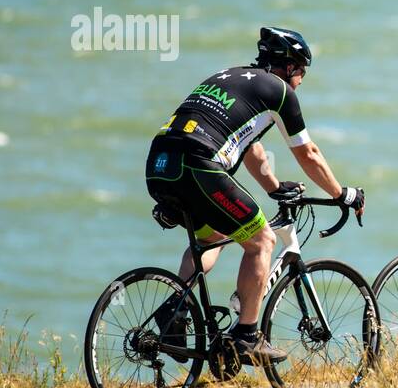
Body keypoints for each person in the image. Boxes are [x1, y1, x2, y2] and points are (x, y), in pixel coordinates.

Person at [145, 26, 364, 362]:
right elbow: (309, 153)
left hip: (160, 163)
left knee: (211, 237)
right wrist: (341, 194)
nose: (301, 81)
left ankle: (175, 308)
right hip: (199, 165)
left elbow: (251, 149)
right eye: (302, 72)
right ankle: (247, 336)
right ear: (290, 66)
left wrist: (275, 188)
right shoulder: (279, 91)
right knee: (261, 240)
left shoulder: (229, 74)